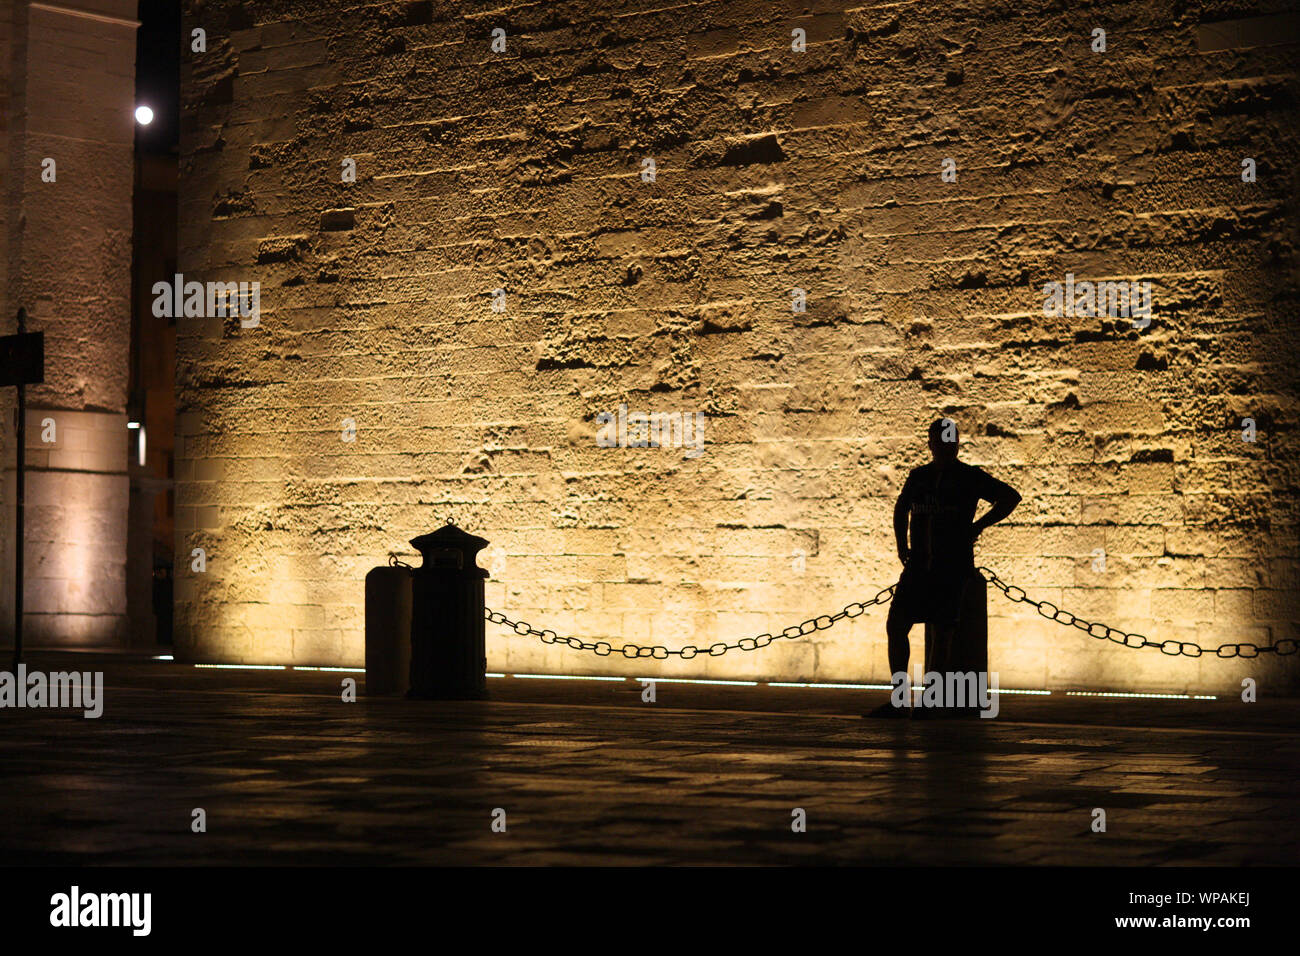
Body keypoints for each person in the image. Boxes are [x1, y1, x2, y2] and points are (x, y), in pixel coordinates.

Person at [870, 418, 1021, 717]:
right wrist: (902, 545)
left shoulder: (968, 477)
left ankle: (929, 700)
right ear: (932, 443)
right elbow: (902, 508)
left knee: (942, 631)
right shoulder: (920, 477)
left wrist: (978, 525)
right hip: (920, 565)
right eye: (940, 440)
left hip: (951, 565)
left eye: (948, 441)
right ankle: (902, 699)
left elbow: (1010, 498)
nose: (944, 446)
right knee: (897, 625)